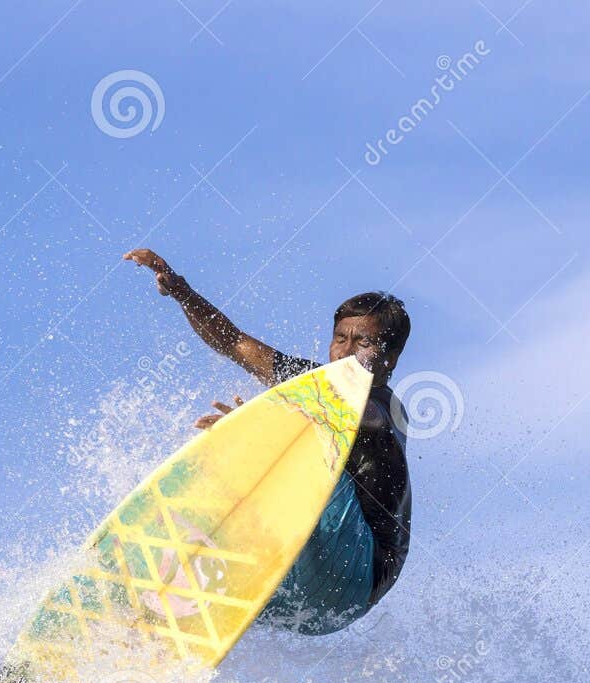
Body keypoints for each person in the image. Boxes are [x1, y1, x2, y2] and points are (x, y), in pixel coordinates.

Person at [123, 248, 412, 635]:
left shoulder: (384, 410)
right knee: (180, 577)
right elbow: (234, 342)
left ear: (390, 358)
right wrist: (181, 291)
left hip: (354, 575)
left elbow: (360, 419)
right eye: (340, 338)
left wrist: (265, 429)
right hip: (296, 593)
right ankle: (126, 633)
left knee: (289, 446)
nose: (344, 351)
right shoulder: (315, 385)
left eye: (362, 343)